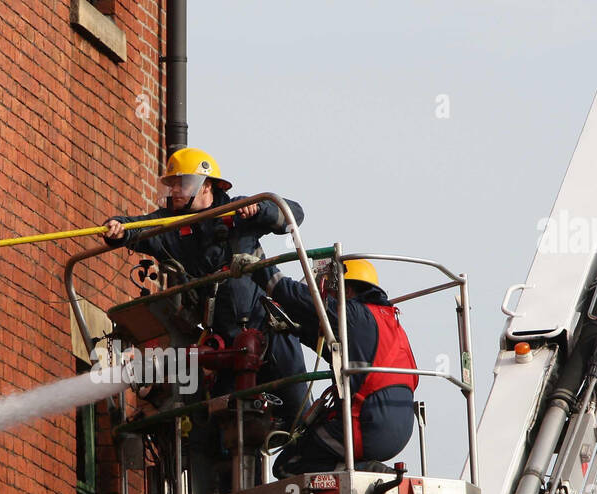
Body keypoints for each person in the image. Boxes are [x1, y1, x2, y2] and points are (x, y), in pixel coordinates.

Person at [102, 147, 309, 418]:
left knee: (299, 412)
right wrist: (117, 228)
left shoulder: (236, 212)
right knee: (219, 423)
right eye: (172, 184)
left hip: (268, 332)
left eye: (182, 183)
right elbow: (137, 227)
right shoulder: (170, 226)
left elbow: (293, 215)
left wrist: (261, 209)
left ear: (206, 186)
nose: (175, 190)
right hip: (223, 344)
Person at [231, 253, 417, 475]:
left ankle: (361, 471)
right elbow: (334, 352)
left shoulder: (351, 314)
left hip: (363, 430)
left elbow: (298, 296)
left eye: (330, 292)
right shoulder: (387, 323)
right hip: (400, 431)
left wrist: (260, 269)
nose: (327, 297)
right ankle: (359, 467)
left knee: (287, 464)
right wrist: (297, 331)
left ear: (346, 291)